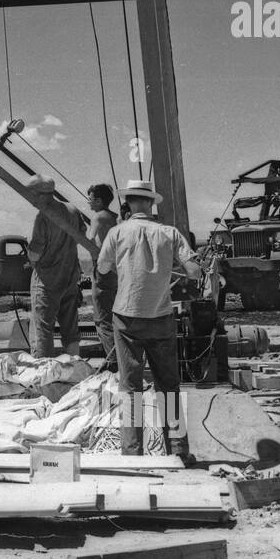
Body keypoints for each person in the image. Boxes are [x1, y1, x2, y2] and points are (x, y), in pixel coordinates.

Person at [96, 180, 202, 463]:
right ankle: (178, 451)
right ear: (152, 204)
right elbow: (194, 271)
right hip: (161, 316)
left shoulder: (117, 232)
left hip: (127, 317)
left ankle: (133, 454)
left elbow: (103, 267)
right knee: (168, 387)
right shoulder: (169, 233)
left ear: (128, 203)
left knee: (130, 389)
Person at [25, 176, 97, 359]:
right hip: (70, 277)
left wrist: (30, 259)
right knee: (70, 328)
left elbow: (35, 252)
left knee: (42, 330)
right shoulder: (71, 209)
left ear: (40, 195)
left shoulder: (43, 217)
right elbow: (82, 235)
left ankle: (43, 373)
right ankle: (74, 366)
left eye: (31, 195)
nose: (30, 200)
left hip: (47, 281)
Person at [87, 182, 120, 371]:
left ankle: (113, 360)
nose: (88, 202)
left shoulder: (98, 217)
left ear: (98, 200)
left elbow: (90, 240)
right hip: (115, 270)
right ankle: (116, 356)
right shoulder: (113, 217)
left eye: (90, 198)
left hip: (102, 271)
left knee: (102, 319)